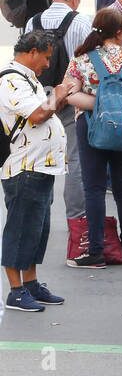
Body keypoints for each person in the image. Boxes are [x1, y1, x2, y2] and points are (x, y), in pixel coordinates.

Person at [1, 31, 73, 314]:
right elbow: (38, 115)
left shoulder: (28, 79)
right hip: (24, 168)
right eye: (45, 57)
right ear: (32, 52)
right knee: (20, 230)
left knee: (36, 229)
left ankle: (30, 284)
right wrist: (58, 94)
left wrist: (60, 95)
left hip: (40, 167)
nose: (46, 64)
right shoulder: (11, 80)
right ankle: (15, 291)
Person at [65, 8, 122, 269]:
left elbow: (67, 93)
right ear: (120, 32)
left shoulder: (82, 60)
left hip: (91, 127)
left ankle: (95, 252)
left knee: (94, 188)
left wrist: (98, 103)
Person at [25, 0, 92, 235]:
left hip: (41, 99)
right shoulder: (81, 22)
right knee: (75, 159)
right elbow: (87, 66)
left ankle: (41, 215)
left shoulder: (34, 21)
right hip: (71, 99)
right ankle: (76, 218)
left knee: (41, 158)